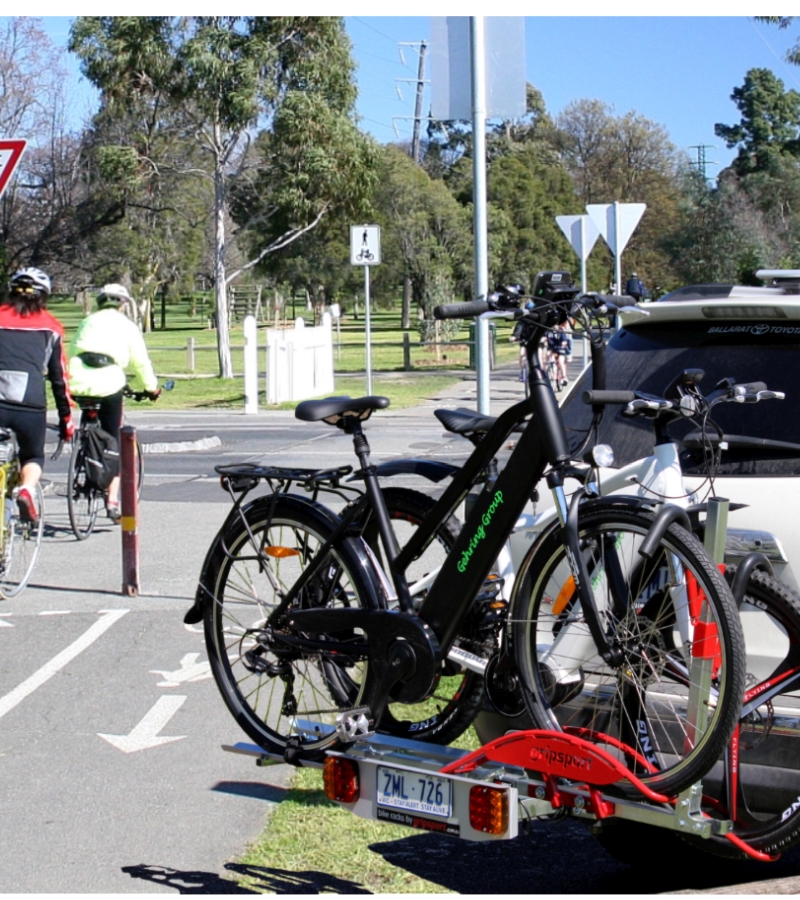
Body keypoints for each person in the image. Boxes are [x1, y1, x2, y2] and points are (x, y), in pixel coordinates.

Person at [68, 283, 160, 520]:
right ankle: (112, 500)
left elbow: (73, 350)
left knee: (89, 418)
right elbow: (141, 361)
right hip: (108, 381)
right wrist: (152, 388)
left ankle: (84, 453)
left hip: (79, 379)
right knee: (114, 439)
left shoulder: (87, 322)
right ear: (123, 304)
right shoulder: (127, 326)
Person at [0, 268, 73, 523]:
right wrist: (67, 420)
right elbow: (59, 379)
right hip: (29, 402)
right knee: (32, 455)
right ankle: (27, 489)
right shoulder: (51, 326)